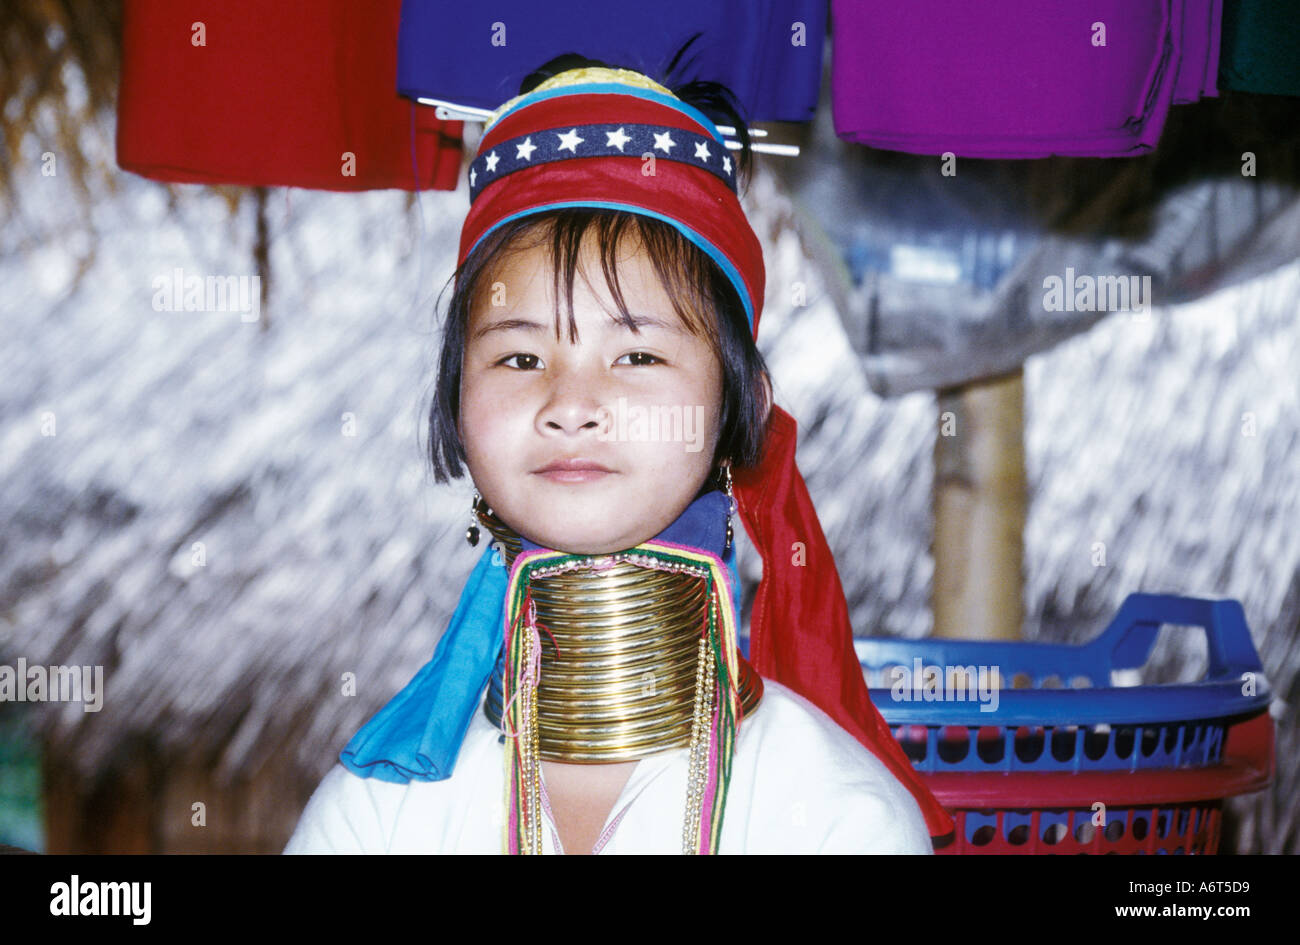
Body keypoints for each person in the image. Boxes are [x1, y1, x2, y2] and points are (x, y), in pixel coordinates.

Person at [285, 54, 953, 854]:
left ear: (746, 402)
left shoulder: (834, 818)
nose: (570, 405)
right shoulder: (375, 814)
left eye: (637, 356)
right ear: (457, 403)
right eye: (519, 358)